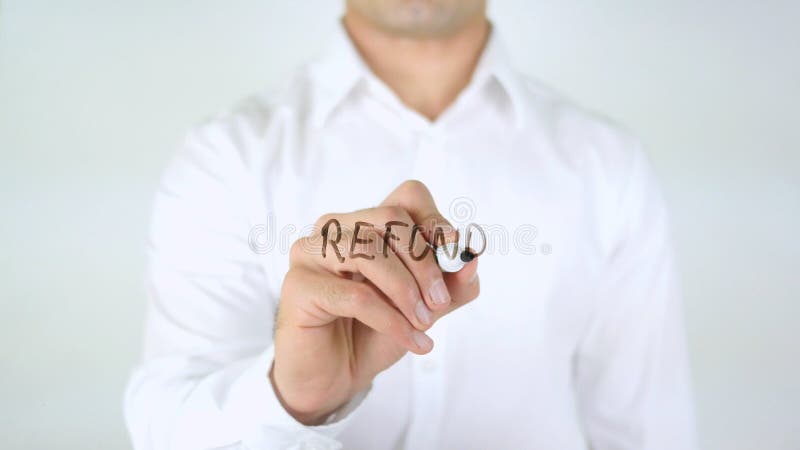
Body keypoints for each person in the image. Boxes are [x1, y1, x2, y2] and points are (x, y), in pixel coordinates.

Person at [124, 1, 697, 449]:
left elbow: (650, 433)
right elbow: (166, 430)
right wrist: (292, 400)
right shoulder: (225, 158)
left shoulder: (610, 167)